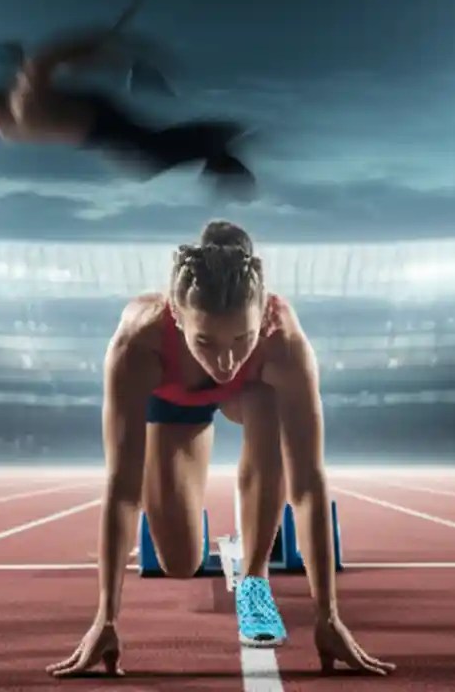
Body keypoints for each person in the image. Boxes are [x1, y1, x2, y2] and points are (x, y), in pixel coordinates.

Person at [48, 220, 393, 678]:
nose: (226, 361)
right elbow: (121, 488)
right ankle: (185, 505)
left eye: (242, 340)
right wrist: (105, 619)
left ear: (263, 316)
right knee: (180, 562)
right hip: (176, 406)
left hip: (249, 400)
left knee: (265, 395)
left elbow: (308, 485)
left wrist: (328, 615)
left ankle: (254, 578)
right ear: (176, 315)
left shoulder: (282, 341)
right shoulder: (138, 343)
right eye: (205, 342)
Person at [0, 2, 256, 198]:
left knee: (151, 155)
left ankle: (221, 139)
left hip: (101, 122)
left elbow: (45, 59)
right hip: (94, 128)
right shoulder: (0, 119)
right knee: (150, 155)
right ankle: (219, 146)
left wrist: (110, 45)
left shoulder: (19, 102)